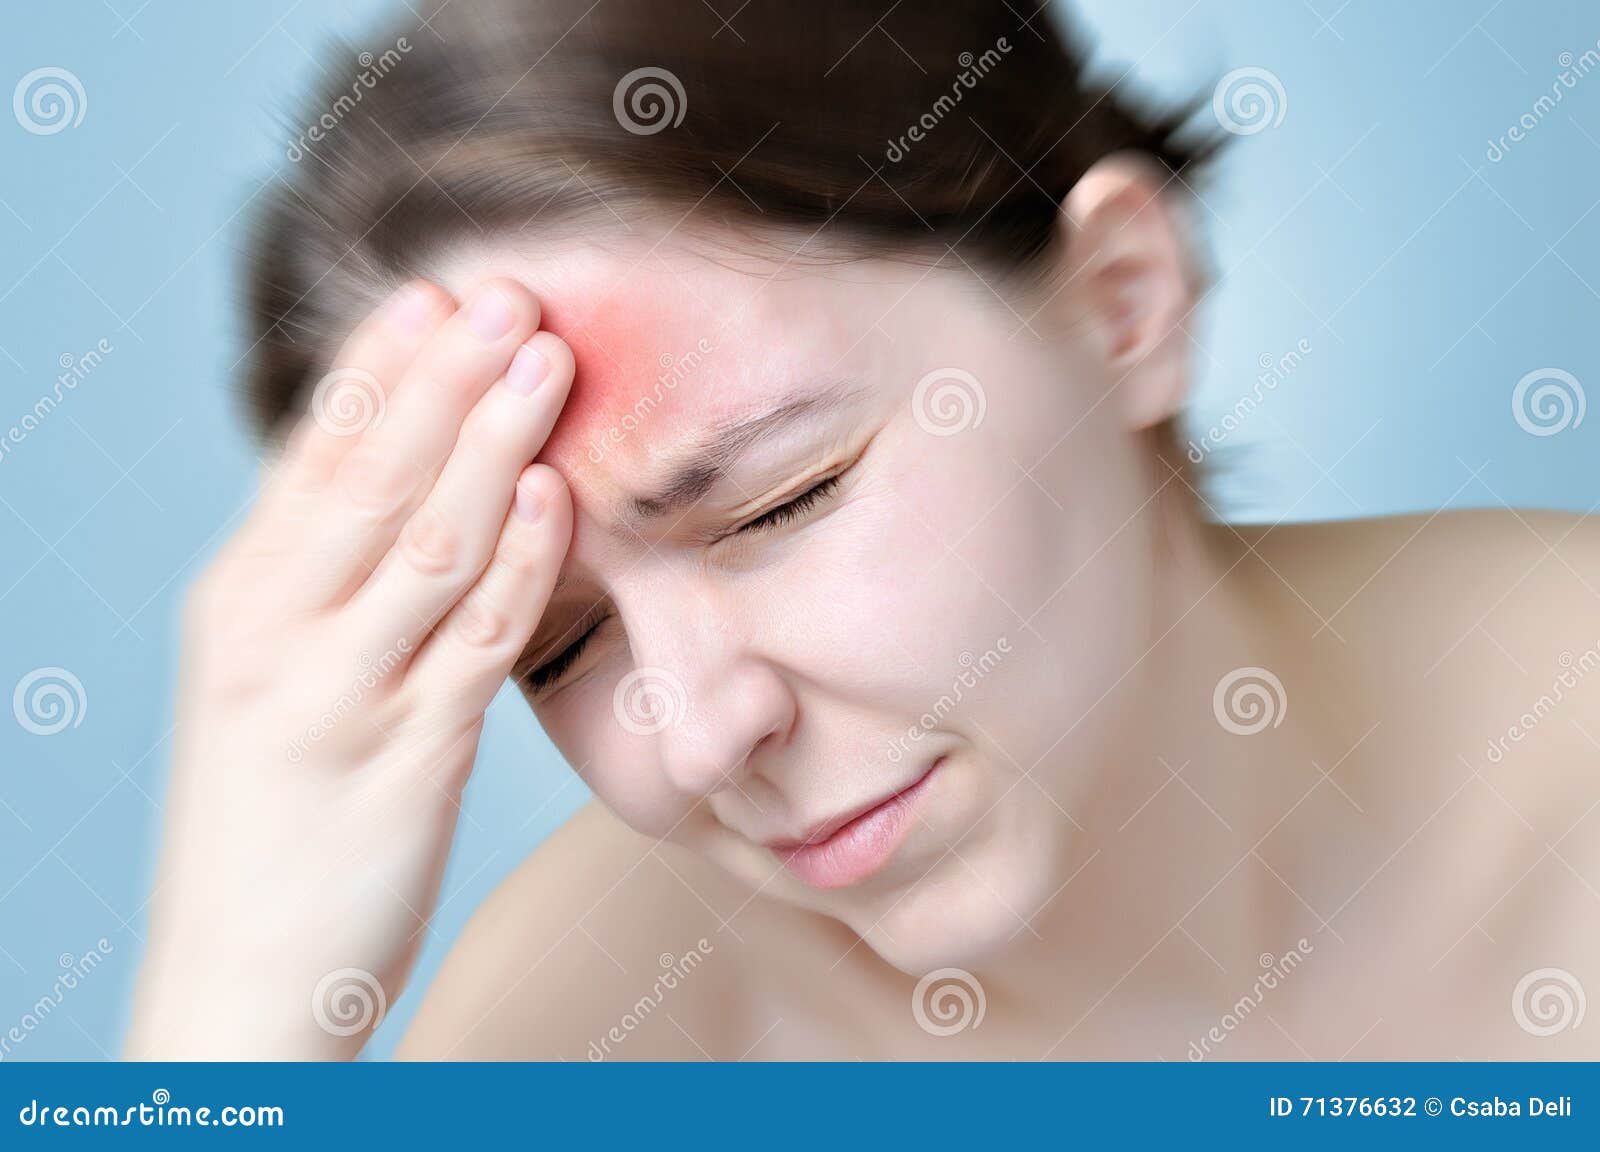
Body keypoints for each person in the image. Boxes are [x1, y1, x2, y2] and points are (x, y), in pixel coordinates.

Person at [128, 0, 1600, 1060]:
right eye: (554, 647)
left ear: (1122, 300)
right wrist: (231, 1024)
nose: (702, 738)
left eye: (781, 501)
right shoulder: (583, 1048)